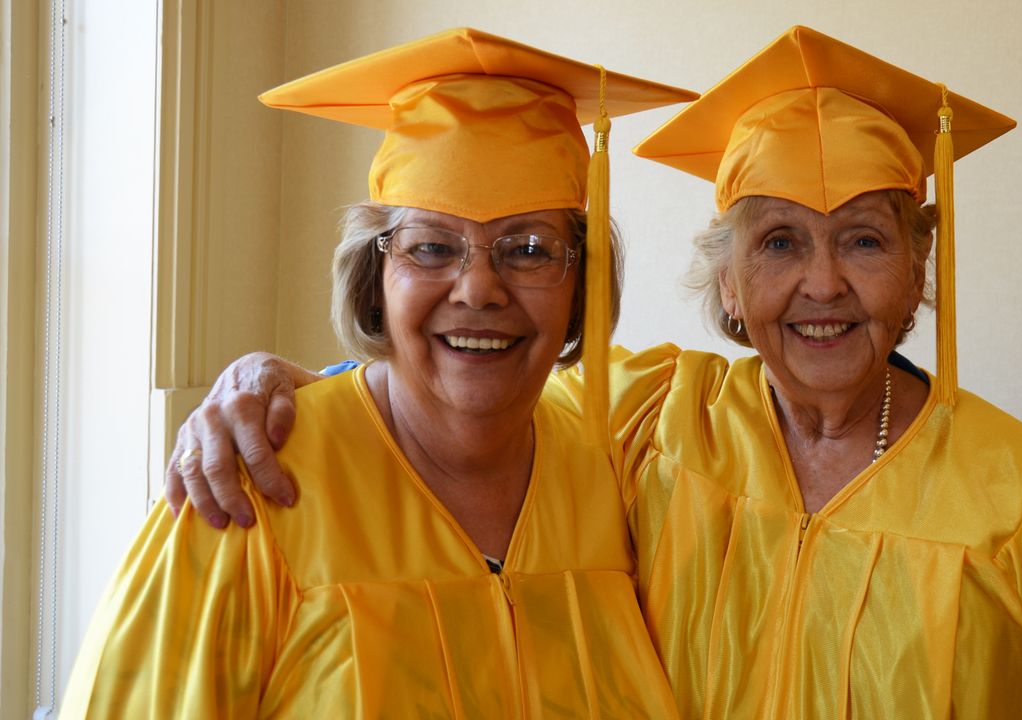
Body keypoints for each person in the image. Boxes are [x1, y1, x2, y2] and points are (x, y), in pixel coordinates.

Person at [169, 26, 1022, 718]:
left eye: (861, 239)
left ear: (916, 272)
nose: (821, 285)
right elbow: (459, 394)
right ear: (727, 283)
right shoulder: (650, 419)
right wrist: (277, 382)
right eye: (775, 244)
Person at [61, 28, 694, 717]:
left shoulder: (621, 464)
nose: (478, 289)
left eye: (531, 249)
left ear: (583, 284)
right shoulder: (247, 487)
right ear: (375, 278)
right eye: (431, 248)